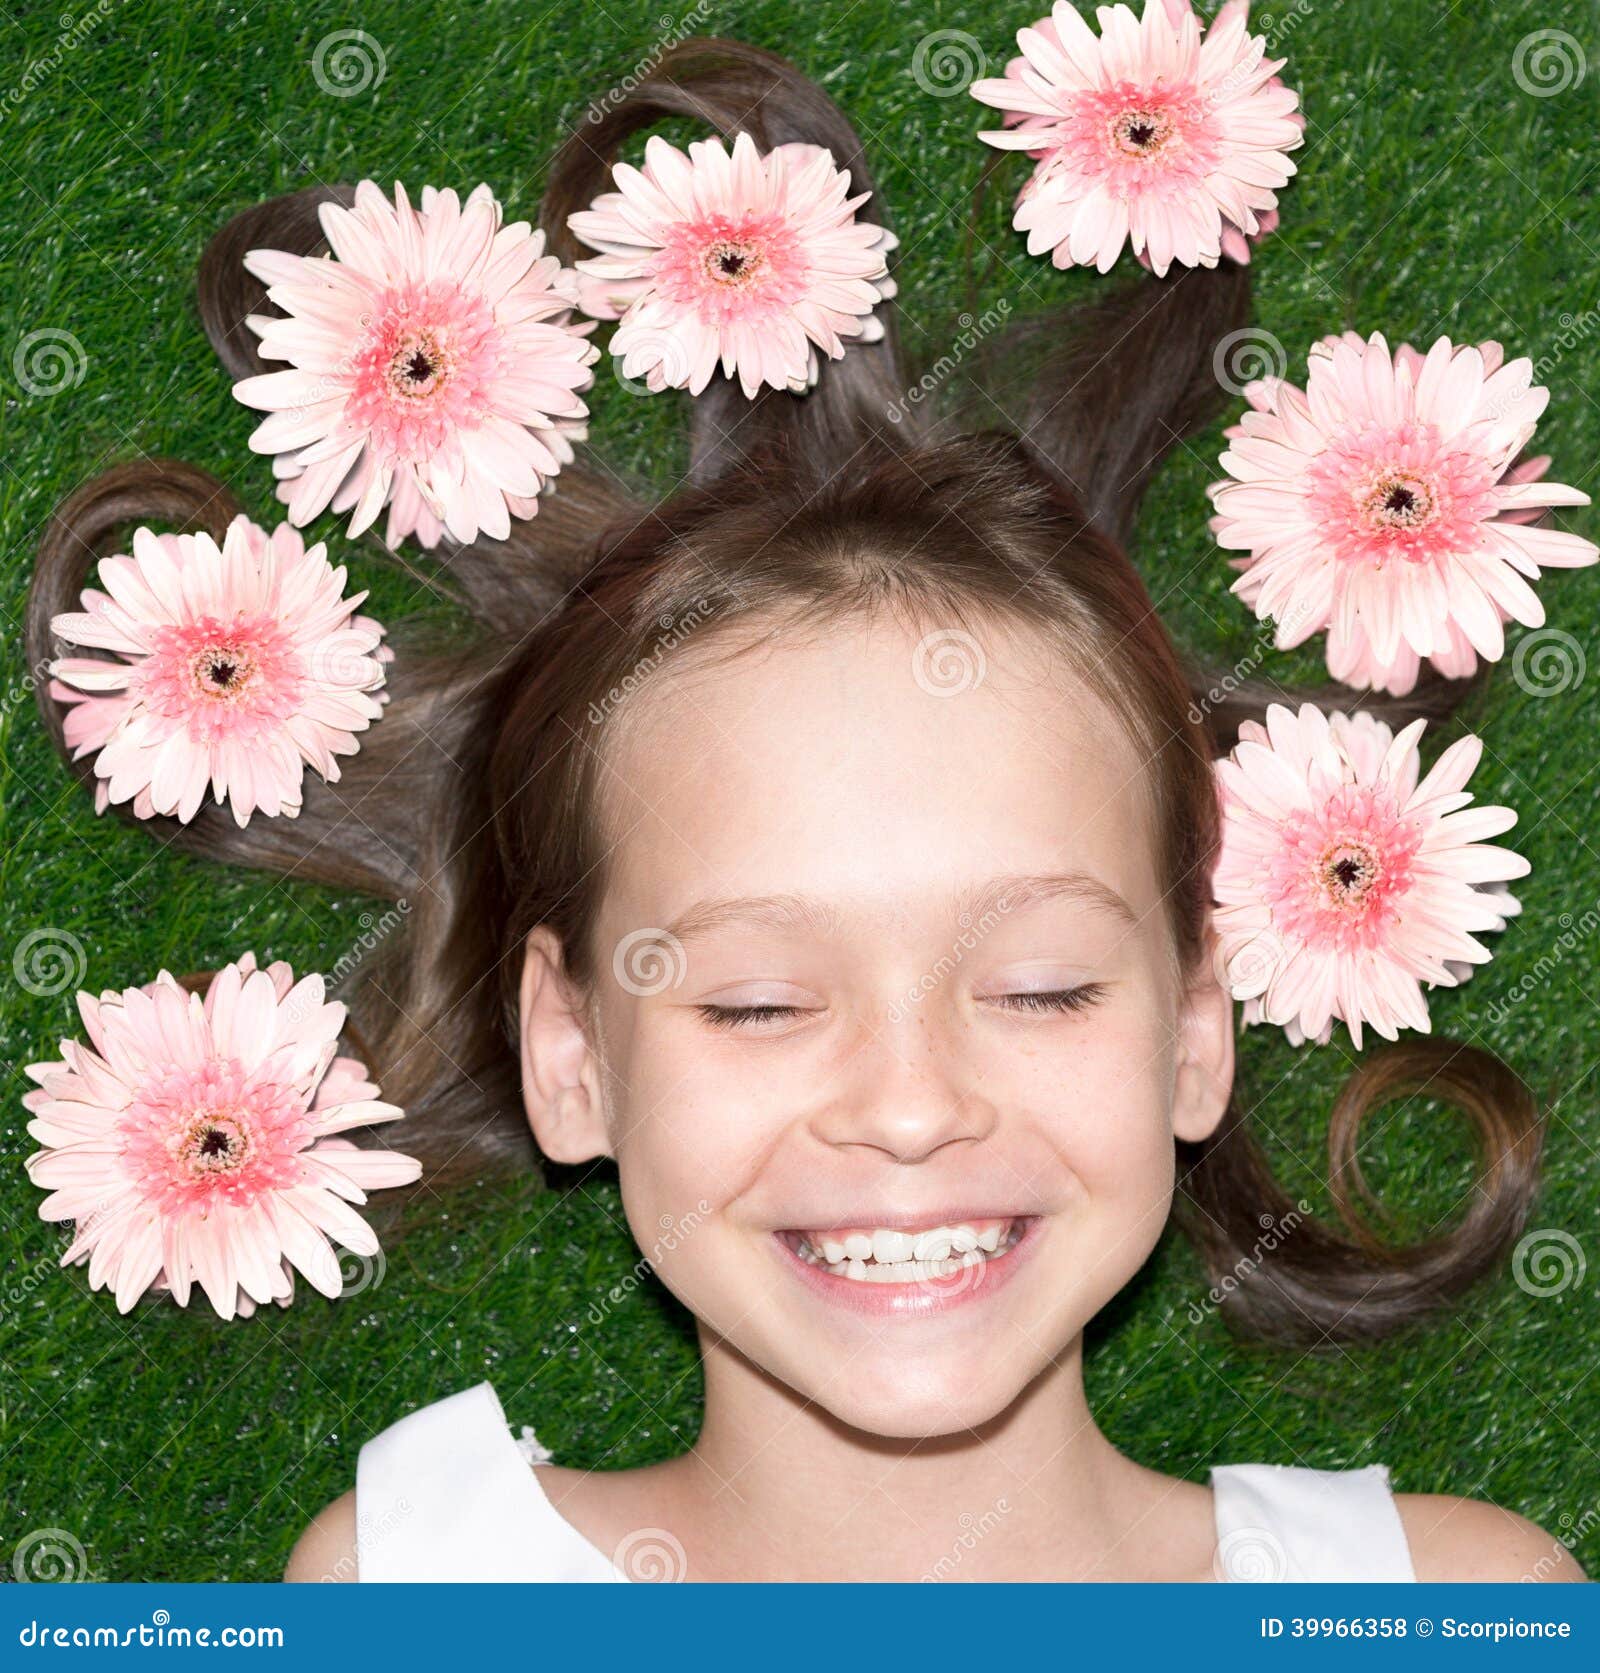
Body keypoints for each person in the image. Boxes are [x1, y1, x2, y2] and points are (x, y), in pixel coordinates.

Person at [30, 38, 1585, 1585]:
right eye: (761, 1001)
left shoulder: (1446, 1607)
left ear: (1193, 1024)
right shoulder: (426, 1582)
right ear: (572, 1053)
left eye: (1041, 985)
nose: (909, 1107)